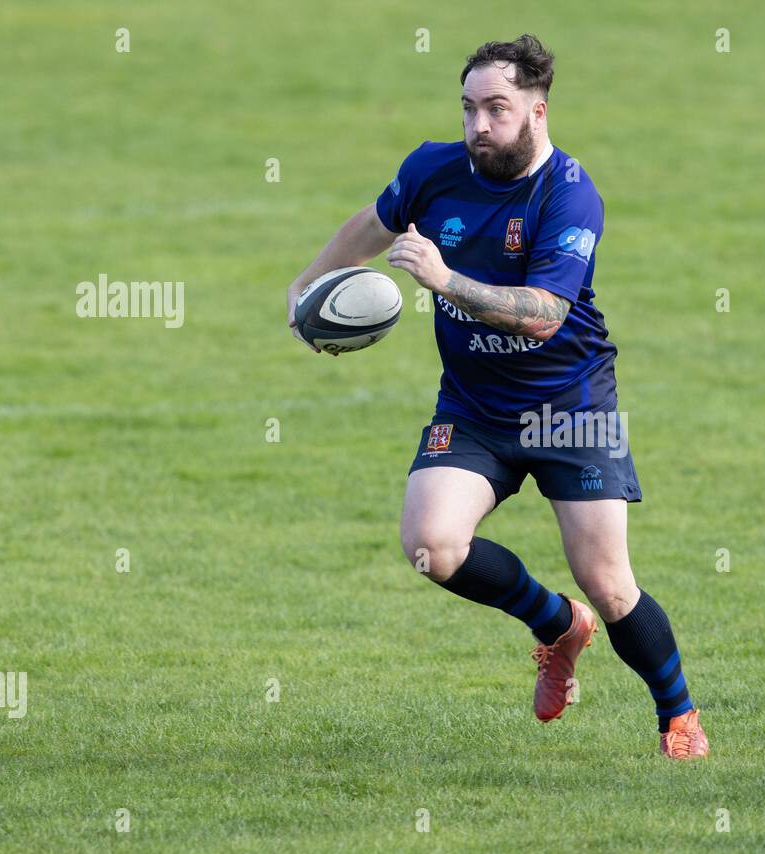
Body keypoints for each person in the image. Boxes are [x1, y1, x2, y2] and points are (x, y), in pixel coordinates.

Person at [286, 35, 707, 758]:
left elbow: (543, 315)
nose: (479, 125)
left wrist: (447, 281)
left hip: (570, 407)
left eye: (497, 109)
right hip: (475, 408)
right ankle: (554, 625)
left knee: (609, 585)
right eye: (469, 108)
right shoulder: (434, 169)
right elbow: (372, 221)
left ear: (537, 113)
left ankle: (678, 716)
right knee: (432, 545)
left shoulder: (570, 193)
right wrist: (309, 286)